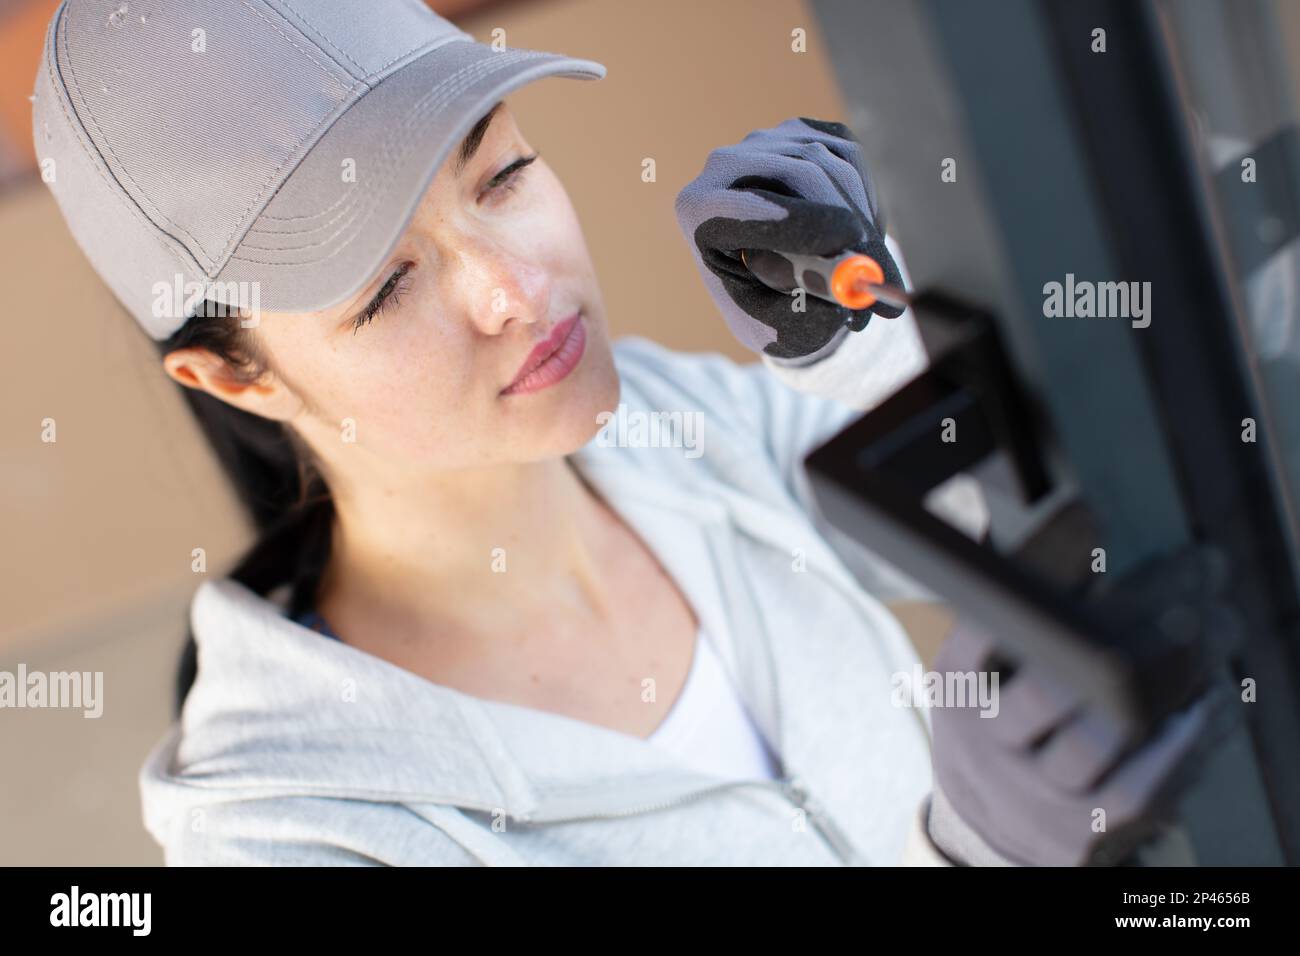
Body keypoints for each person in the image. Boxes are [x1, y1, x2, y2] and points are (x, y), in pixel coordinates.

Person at [33, 0, 1209, 866]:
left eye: (502, 172)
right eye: (384, 287)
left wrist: (874, 345)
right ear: (234, 379)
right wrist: (968, 851)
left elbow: (1071, 524)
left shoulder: (682, 423)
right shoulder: (290, 828)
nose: (515, 288)